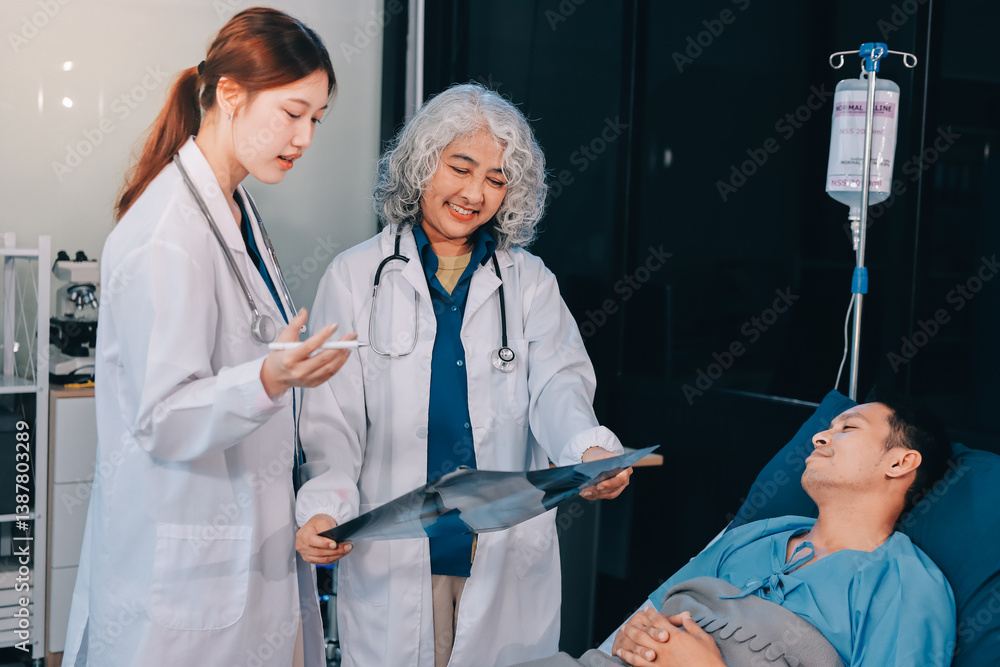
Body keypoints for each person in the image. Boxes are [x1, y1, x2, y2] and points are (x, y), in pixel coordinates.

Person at [293, 83, 632, 667]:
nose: (475, 193)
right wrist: (324, 506)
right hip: (396, 550)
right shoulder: (354, 278)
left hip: (497, 551)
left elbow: (559, 384)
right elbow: (331, 418)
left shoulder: (529, 282)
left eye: (497, 179)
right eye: (461, 167)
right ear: (424, 163)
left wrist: (588, 447)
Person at [62, 8, 351, 666]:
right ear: (230, 95)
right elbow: (163, 416)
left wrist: (283, 374)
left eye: (317, 120)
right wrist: (272, 378)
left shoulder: (236, 210)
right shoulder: (168, 232)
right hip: (181, 587)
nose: (305, 137)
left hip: (234, 558)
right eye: (293, 112)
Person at [595, 395, 956, 666]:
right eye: (827, 428)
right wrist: (630, 637)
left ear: (900, 461)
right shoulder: (755, 536)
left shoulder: (905, 585)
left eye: (848, 428)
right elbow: (645, 619)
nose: (819, 438)